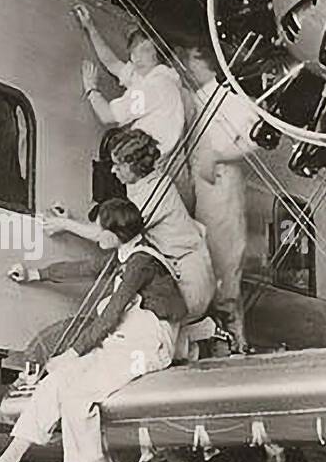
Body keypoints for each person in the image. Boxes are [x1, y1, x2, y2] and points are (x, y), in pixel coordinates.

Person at [0, 197, 187, 462]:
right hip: (121, 343)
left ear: (114, 233)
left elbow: (110, 314)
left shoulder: (142, 262)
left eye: (99, 227)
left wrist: (73, 353)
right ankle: (10, 459)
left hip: (147, 347)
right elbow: (82, 269)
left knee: (78, 395)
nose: (94, 233)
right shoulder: (124, 256)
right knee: (54, 383)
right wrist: (35, 273)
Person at [44, 127, 215, 324]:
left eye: (118, 165)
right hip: (182, 269)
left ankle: (201, 335)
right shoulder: (142, 183)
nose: (112, 170)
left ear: (135, 166)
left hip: (190, 283)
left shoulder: (153, 195)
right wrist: (71, 221)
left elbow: (108, 235)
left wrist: (64, 224)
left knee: (128, 323)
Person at [181, 44, 259, 351]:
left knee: (225, 260)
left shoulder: (234, 99)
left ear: (204, 62)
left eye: (189, 59)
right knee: (206, 258)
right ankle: (215, 336)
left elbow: (259, 139)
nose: (186, 66)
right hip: (202, 188)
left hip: (223, 184)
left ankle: (237, 339)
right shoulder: (198, 97)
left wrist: (220, 156)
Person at [73, 5, 185, 165]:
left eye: (145, 50)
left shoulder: (153, 87)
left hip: (149, 166)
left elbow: (108, 115)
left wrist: (91, 89)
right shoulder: (155, 77)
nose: (136, 57)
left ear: (159, 54)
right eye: (134, 51)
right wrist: (90, 28)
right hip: (152, 162)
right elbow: (113, 64)